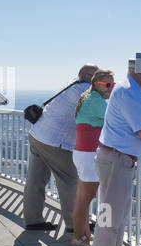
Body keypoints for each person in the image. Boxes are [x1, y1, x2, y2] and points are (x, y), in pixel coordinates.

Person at [87, 63, 141, 246]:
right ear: (138, 71)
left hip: (115, 158)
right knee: (109, 218)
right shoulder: (130, 91)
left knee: (115, 215)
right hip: (117, 160)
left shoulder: (127, 88)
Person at [20, 66, 99, 231]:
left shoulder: (70, 84)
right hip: (55, 142)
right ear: (87, 76)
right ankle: (75, 224)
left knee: (35, 180)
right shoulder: (85, 89)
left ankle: (33, 220)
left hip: (38, 135)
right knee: (69, 180)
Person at [69, 66, 113, 246]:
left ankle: (84, 235)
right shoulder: (96, 100)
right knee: (85, 199)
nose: (110, 88)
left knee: (84, 198)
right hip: (89, 155)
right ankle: (79, 238)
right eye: (107, 84)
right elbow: (115, 120)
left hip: (83, 153)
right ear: (96, 84)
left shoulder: (89, 97)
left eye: (113, 84)